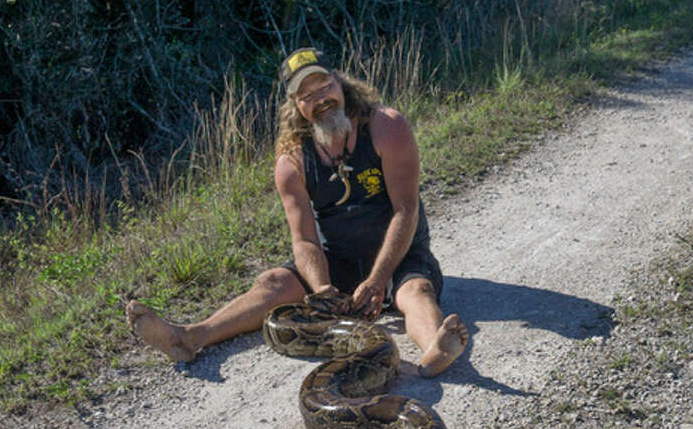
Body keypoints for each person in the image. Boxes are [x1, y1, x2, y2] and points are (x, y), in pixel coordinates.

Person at [126, 48, 470, 375]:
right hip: (338, 260)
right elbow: (304, 240)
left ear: (340, 82)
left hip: (399, 256)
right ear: (295, 104)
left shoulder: (386, 127)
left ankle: (434, 349)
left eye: (325, 86)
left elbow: (406, 210)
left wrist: (379, 279)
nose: (320, 99)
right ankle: (188, 337)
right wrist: (321, 290)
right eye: (307, 95)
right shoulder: (291, 162)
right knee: (273, 282)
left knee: (414, 291)